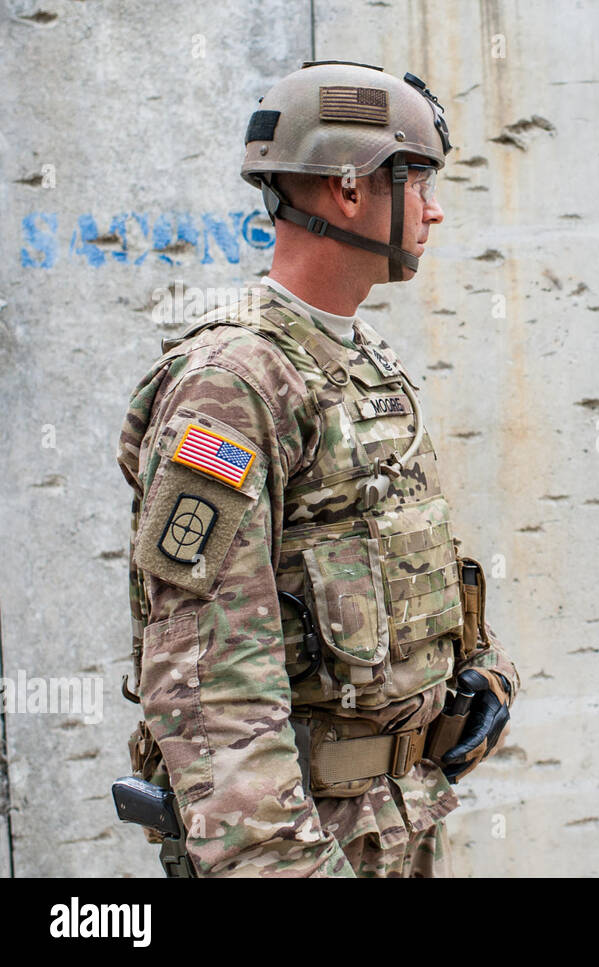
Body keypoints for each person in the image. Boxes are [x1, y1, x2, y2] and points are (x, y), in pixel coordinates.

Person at [116, 61, 519, 877]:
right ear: (347, 186)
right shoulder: (233, 381)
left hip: (394, 823)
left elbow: (390, 564)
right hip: (302, 847)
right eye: (419, 181)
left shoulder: (360, 362)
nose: (434, 210)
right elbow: (206, 681)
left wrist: (478, 676)